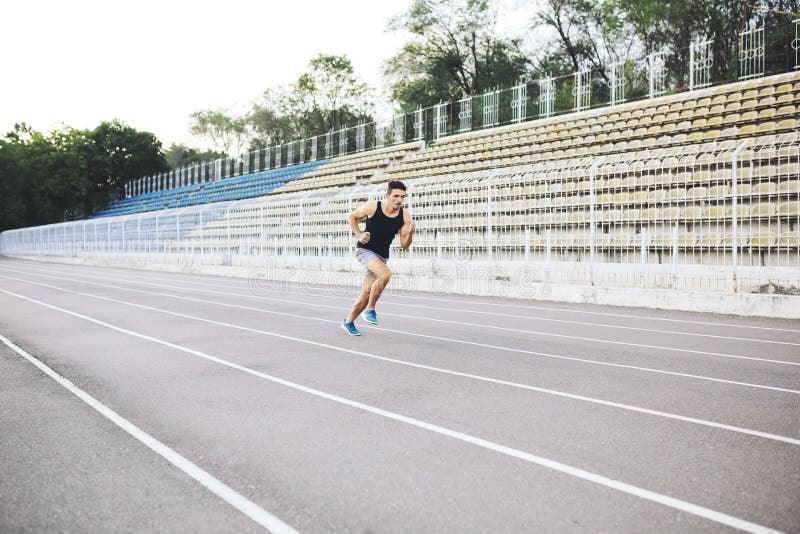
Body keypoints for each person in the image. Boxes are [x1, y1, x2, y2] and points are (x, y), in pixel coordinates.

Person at [341, 180, 415, 336]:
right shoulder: (372, 206)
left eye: (403, 197)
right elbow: (352, 216)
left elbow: (404, 245)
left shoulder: (404, 216)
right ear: (387, 195)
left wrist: (410, 233)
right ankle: (370, 310)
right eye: (396, 196)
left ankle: (348, 322)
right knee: (385, 274)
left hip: (381, 257)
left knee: (366, 293)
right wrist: (359, 234)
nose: (399, 200)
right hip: (365, 251)